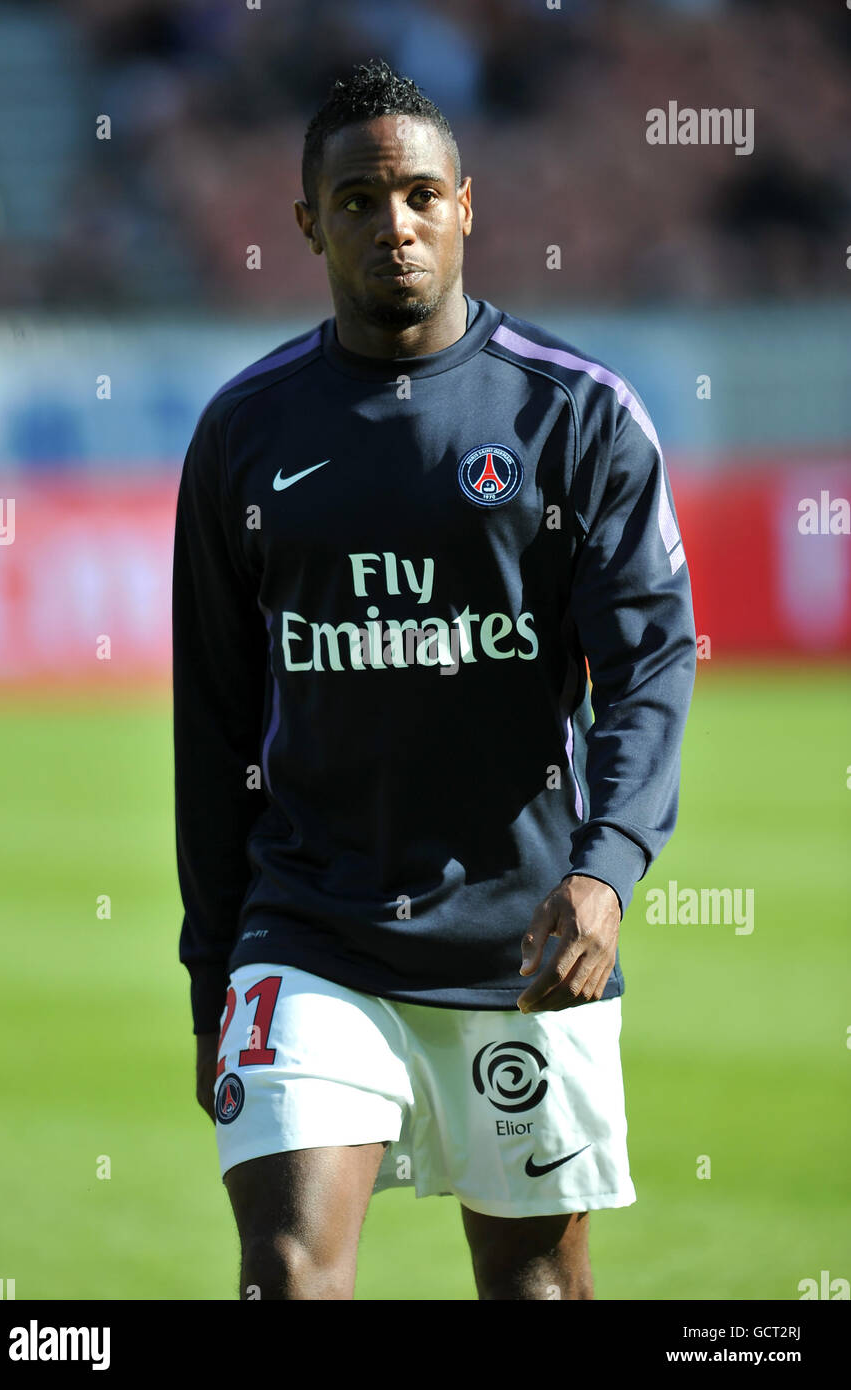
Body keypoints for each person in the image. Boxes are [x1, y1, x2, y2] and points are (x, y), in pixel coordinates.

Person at [172, 58, 696, 1301]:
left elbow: (647, 664)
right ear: (307, 222)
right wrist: (212, 974)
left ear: (467, 204)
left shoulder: (578, 420)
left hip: (525, 938)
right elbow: (214, 721)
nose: (391, 226)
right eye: (356, 200)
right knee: (288, 1271)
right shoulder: (244, 435)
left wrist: (604, 869)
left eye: (417, 195)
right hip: (307, 932)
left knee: (534, 1285)